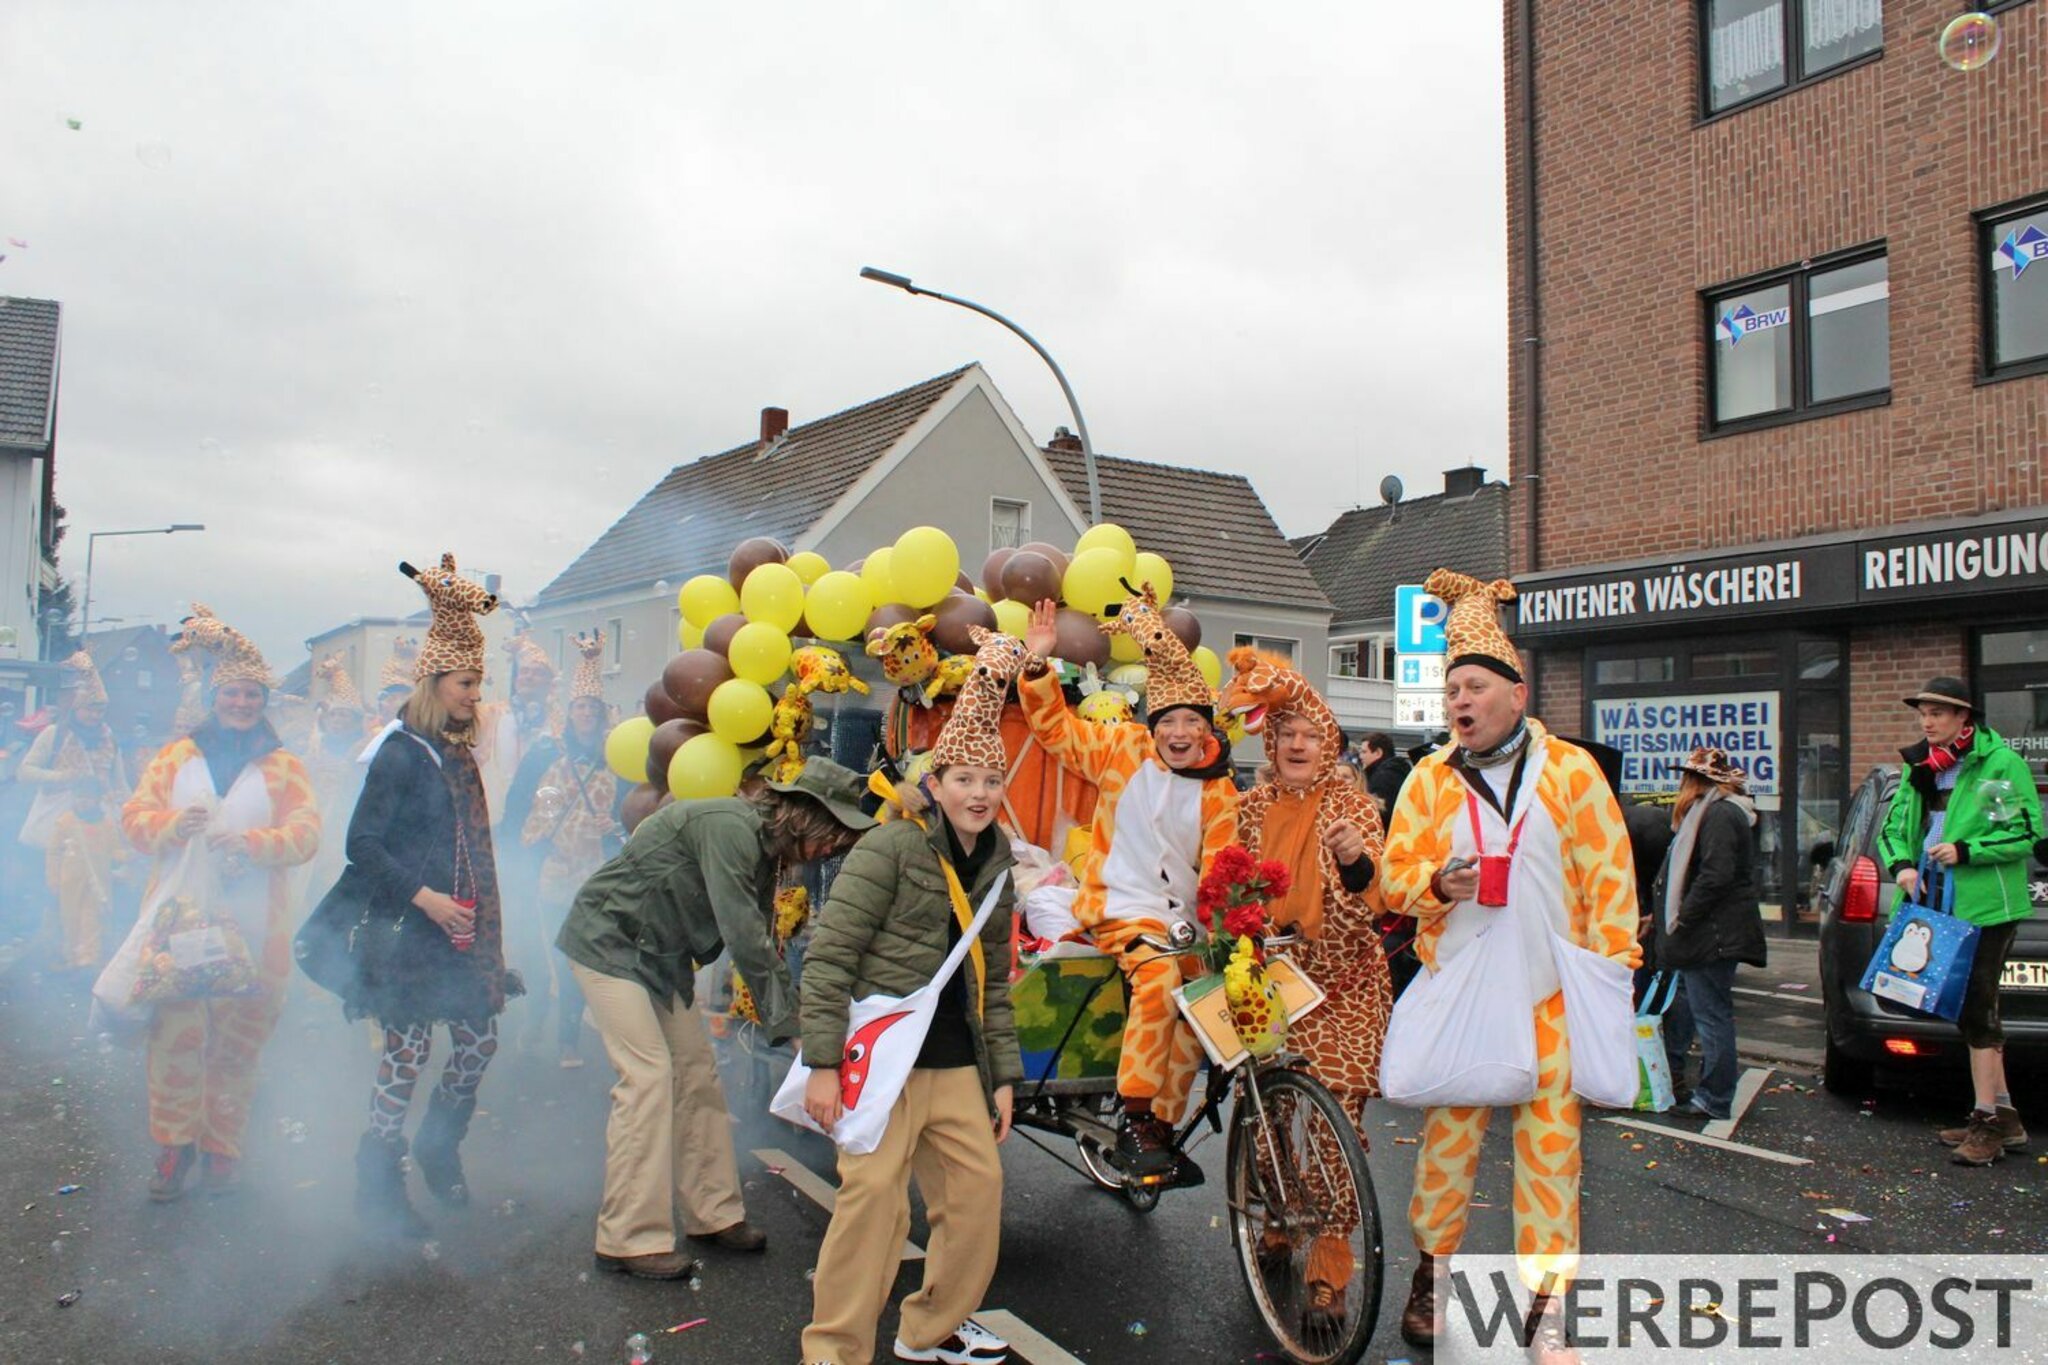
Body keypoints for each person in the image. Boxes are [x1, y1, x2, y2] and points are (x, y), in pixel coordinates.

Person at [1380, 569, 1638, 1361]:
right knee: (1448, 1147)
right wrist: (1436, 884)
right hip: (1463, 991)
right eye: (1452, 686)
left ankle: (1548, 1308)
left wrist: (1609, 977)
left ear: (1515, 694)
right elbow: (1394, 874)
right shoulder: (1427, 779)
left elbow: (1610, 879)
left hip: (1550, 999)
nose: (1460, 700)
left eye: (1475, 686)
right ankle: (1433, 1273)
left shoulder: (1570, 773)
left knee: (1553, 1158)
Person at [558, 756, 876, 1279]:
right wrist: (794, 1029)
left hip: (659, 957)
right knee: (647, 1078)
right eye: (831, 835)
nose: (830, 849)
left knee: (697, 1077)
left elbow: (752, 936)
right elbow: (744, 934)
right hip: (608, 945)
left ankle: (713, 1214)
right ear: (804, 816)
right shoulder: (729, 826)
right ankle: (628, 1238)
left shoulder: (763, 848)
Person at [798, 634, 1022, 1365]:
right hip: (883, 1056)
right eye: (966, 778)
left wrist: (1005, 1075)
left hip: (956, 1060)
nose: (981, 793)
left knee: (976, 1194)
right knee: (873, 1204)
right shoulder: (889, 848)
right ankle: (834, 1348)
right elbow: (829, 957)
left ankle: (932, 1326)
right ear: (937, 780)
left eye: (992, 780)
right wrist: (824, 1064)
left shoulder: (996, 863)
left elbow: (992, 972)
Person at [326, 555, 517, 1237]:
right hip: (409, 931)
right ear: (437, 682)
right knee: (404, 1058)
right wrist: (426, 897)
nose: (476, 695)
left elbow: (474, 845)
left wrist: (483, 929)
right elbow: (362, 846)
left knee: (476, 1044)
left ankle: (439, 1146)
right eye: (468, 682)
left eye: (480, 682)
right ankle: (377, 1185)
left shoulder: (458, 751)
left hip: (460, 934)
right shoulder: (399, 752)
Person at [1017, 588, 1238, 1176]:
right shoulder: (1121, 748)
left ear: (1207, 728)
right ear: (1154, 724)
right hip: (1119, 907)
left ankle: (1162, 1127)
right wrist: (1038, 665)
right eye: (1170, 721)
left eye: (1194, 720)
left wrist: (1237, 926)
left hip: (1183, 919)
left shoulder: (1219, 787)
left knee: (1204, 995)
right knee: (1162, 975)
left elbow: (1221, 865)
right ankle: (1137, 1113)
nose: (1181, 732)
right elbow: (1055, 732)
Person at [122, 607, 320, 1200]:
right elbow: (132, 820)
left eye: (251, 694)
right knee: (176, 1036)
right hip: (181, 922)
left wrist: (256, 844)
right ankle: (173, 1148)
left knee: (238, 1044)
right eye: (232, 692)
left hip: (260, 930)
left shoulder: (285, 767)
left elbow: (309, 834)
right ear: (216, 696)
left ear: (263, 699)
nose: (241, 702)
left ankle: (221, 1147)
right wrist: (171, 826)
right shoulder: (176, 756)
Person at [1220, 648, 1392, 1328]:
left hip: (1344, 979)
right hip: (1268, 979)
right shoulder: (1251, 806)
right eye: (1285, 732)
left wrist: (1353, 859)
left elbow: (1372, 899)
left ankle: (1329, 1269)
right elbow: (1228, 886)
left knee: (1332, 1123)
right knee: (1264, 1121)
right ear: (1271, 741)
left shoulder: (1354, 804)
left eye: (1310, 733)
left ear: (1331, 744)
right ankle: (1279, 1218)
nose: (1296, 742)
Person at [1875, 676, 2043, 1167]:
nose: (1927, 722)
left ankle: (1986, 1124)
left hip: (1988, 906)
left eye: (1939, 714)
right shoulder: (1921, 767)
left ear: (1964, 718)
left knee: (1978, 1012)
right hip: (1936, 905)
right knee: (1968, 1011)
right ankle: (2006, 1120)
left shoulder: (1997, 765)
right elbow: (1895, 827)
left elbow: (2025, 832)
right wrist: (1902, 866)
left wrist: (1967, 851)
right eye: (1923, 713)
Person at [511, 632, 619, 1066]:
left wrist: (611, 828)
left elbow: (629, 821)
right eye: (579, 707)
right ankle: (544, 1025)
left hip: (596, 877)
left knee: (583, 959)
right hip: (556, 875)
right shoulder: (551, 759)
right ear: (570, 713)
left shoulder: (617, 763)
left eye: (592, 708)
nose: (586, 715)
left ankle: (569, 1038)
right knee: (555, 956)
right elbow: (532, 815)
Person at [1651, 748, 1765, 1122]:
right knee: (1700, 1008)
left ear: (1696, 781)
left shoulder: (1717, 814)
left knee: (1712, 1016)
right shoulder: (1719, 811)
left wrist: (1683, 916)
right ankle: (1692, 1082)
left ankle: (1713, 1099)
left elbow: (1716, 875)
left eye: (1686, 778)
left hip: (1712, 935)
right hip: (1711, 933)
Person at [19, 651, 129, 971]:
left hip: (97, 831)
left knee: (94, 895)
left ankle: (87, 957)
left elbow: (120, 783)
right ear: (76, 708)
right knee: (54, 895)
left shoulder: (111, 739)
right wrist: (64, 778)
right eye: (91, 708)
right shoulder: (54, 734)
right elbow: (26, 772)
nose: (96, 715)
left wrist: (132, 813)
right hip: (56, 831)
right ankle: (51, 955)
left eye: (101, 709)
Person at [1357, 730, 1412, 828]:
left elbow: (1380, 813)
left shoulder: (1383, 776)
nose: (1360, 756)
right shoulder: (1396, 771)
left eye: (1364, 752)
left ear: (1378, 752)